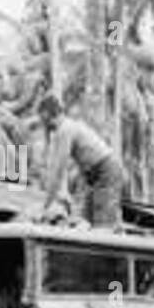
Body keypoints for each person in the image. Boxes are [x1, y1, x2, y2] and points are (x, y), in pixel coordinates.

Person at [39, 93, 124, 229]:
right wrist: (62, 194)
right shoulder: (68, 127)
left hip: (106, 171)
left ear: (45, 114)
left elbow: (57, 171)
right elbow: (60, 170)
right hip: (94, 175)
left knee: (104, 225)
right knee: (86, 222)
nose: (42, 124)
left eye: (42, 118)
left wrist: (46, 207)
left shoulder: (65, 129)